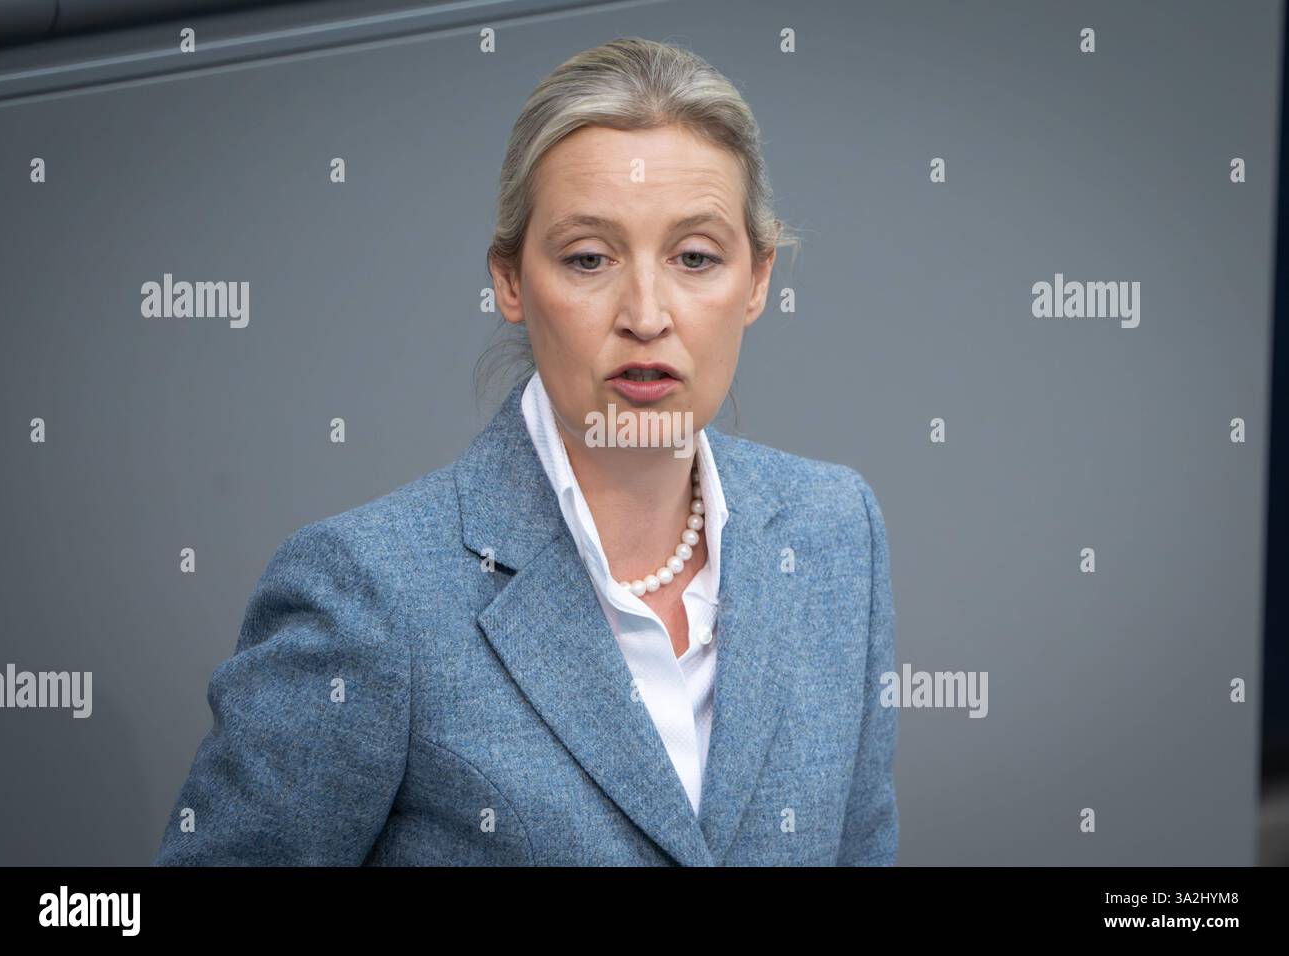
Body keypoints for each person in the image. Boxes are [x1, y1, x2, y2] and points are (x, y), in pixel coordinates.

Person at [153, 36, 897, 867]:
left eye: (695, 257)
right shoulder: (367, 590)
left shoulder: (836, 534)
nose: (646, 313)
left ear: (757, 279)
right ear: (510, 280)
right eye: (588, 258)